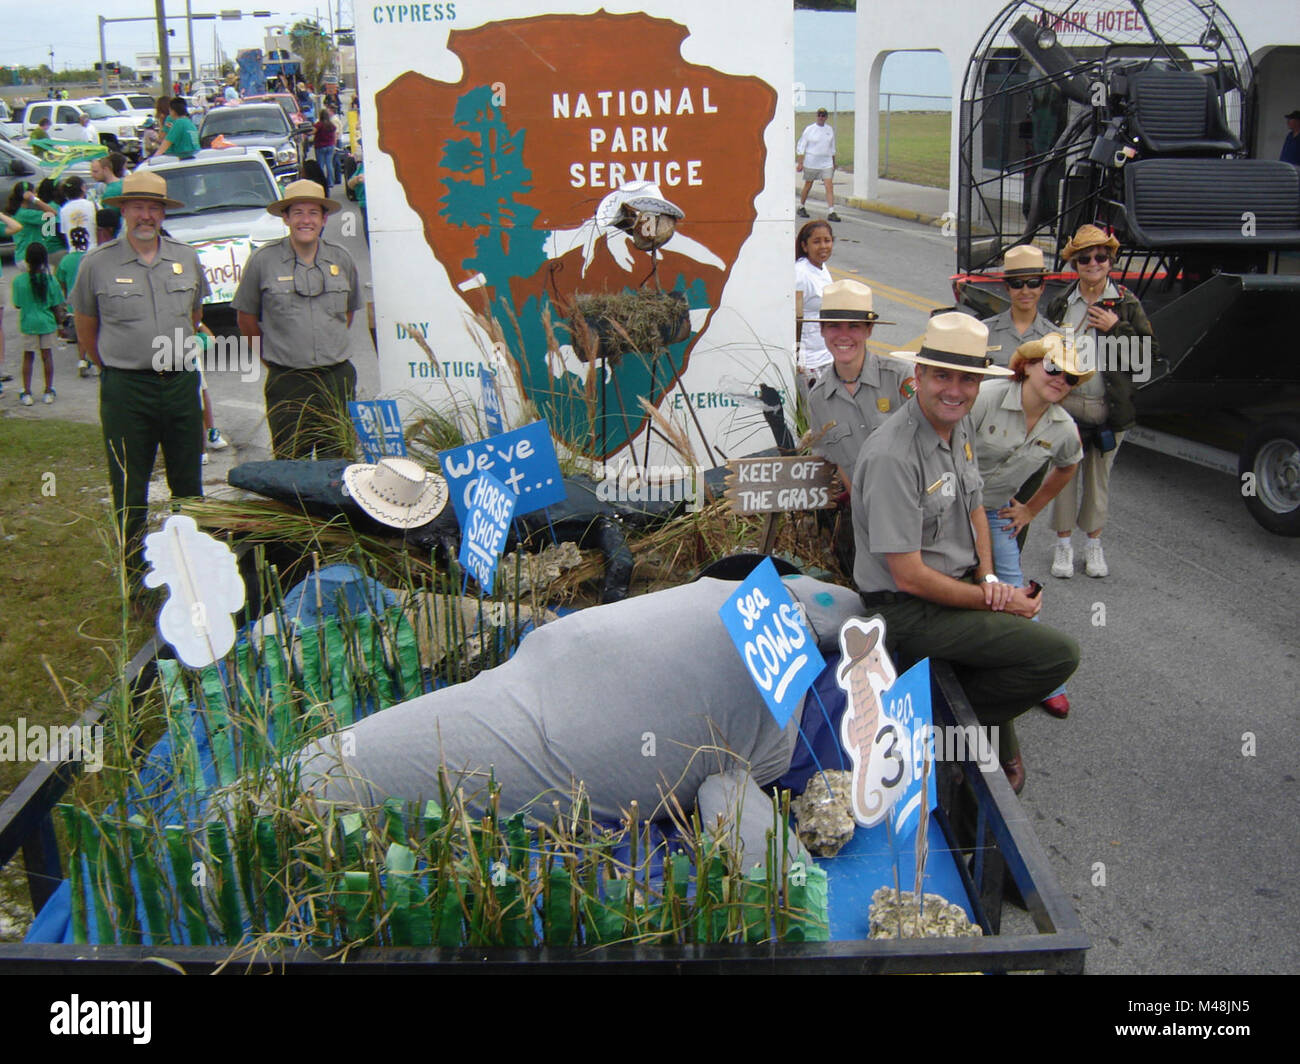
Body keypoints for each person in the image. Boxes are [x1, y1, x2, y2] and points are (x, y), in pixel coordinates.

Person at [851, 312, 1079, 793]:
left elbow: (976, 504)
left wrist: (992, 580)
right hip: (906, 609)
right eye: (942, 376)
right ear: (919, 377)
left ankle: (977, 734)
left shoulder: (956, 428)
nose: (955, 390)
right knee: (1057, 656)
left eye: (968, 379)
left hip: (951, 586)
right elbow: (909, 576)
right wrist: (995, 601)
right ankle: (939, 727)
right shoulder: (894, 454)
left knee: (1009, 635)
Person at [71, 171, 210, 599]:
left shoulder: (186, 258)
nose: (146, 215)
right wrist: (124, 365)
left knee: (188, 484)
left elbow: (194, 316)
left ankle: (190, 571)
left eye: (154, 207)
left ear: (164, 212)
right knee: (130, 485)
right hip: (127, 390)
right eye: (137, 207)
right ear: (123, 212)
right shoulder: (97, 263)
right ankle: (136, 577)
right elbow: (86, 333)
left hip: (180, 383)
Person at [971, 333, 1087, 719]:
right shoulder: (987, 397)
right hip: (946, 503)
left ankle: (1047, 681)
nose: (1060, 380)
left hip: (993, 509)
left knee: (1016, 589)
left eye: (1071, 378)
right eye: (1054, 367)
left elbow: (1067, 466)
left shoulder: (1063, 427)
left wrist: (1030, 510)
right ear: (1029, 365)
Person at [1046, 224, 1157, 579]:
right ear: (1074, 263)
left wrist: (1116, 328)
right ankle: (1063, 546)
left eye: (1100, 257)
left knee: (1098, 481)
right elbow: (1046, 353)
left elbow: (1148, 359)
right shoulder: (1063, 302)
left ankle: (1093, 545)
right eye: (1084, 258)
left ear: (1110, 261)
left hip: (1108, 410)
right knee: (1063, 475)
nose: (1093, 263)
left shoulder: (1125, 304)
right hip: (1066, 407)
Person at [233, 180, 362, 460]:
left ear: (324, 218)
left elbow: (347, 313)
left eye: (313, 213)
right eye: (298, 213)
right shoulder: (262, 261)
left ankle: (334, 508)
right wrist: (273, 356)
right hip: (288, 380)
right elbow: (246, 317)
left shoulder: (342, 258)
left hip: (336, 378)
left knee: (339, 463)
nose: (306, 220)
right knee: (291, 462)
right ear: (286, 218)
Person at [806, 279, 907, 577]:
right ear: (822, 330)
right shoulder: (818, 398)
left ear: (869, 330)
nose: (844, 335)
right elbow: (835, 462)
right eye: (834, 326)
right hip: (866, 524)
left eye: (854, 326)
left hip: (914, 514)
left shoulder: (901, 379)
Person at [10, 242, 64, 406]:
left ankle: (27, 392)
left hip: (28, 323)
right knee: (47, 357)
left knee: (28, 357)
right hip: (47, 323)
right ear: (44, 260)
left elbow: (18, 304)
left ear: (27, 260)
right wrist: (60, 323)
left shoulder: (19, 281)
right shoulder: (50, 280)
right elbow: (56, 305)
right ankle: (48, 391)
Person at [794, 219, 835, 380]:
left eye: (827, 240)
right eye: (816, 242)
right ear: (805, 246)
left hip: (825, 354)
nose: (823, 246)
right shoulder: (801, 274)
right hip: (808, 362)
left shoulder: (821, 266)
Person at [796, 108, 839, 222]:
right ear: (817, 116)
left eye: (823, 115)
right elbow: (801, 146)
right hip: (811, 162)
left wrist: (833, 162)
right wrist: (800, 162)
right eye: (819, 115)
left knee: (829, 185)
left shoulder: (829, 130)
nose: (821, 117)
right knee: (808, 184)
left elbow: (832, 148)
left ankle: (831, 211)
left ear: (826, 117)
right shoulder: (810, 129)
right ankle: (801, 206)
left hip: (826, 162)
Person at [2, 182, 57, 266]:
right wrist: (35, 200)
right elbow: (52, 213)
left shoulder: (18, 212)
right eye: (34, 192)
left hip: (22, 257)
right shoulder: (26, 214)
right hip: (30, 258)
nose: (36, 194)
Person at [93, 152, 128, 243]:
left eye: (96, 171)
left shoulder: (111, 192)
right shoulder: (121, 183)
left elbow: (110, 224)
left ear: (106, 170)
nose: (92, 175)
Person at [312, 105, 339, 190]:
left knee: (320, 165)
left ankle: (321, 181)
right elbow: (335, 136)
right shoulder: (331, 125)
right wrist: (334, 145)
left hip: (320, 146)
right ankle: (330, 182)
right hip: (330, 146)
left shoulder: (319, 125)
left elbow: (313, 132)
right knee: (329, 164)